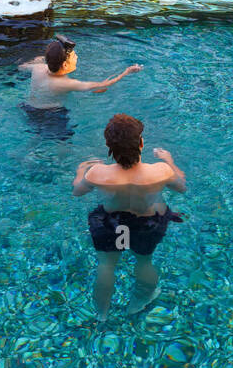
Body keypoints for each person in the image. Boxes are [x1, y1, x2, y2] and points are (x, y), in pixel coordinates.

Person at [72, 114, 186, 321]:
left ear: (109, 146)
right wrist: (170, 161)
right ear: (141, 143)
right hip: (146, 224)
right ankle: (138, 303)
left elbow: (77, 192)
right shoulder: (161, 170)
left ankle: (102, 313)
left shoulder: (97, 173)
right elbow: (181, 187)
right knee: (144, 262)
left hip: (112, 224)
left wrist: (80, 172)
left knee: (106, 265)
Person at [18, 35, 141, 109]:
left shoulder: (38, 68)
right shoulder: (67, 83)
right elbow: (103, 85)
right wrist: (127, 72)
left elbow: (22, 67)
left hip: (28, 107)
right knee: (64, 147)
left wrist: (41, 59)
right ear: (65, 64)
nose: (75, 57)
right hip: (50, 115)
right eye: (73, 56)